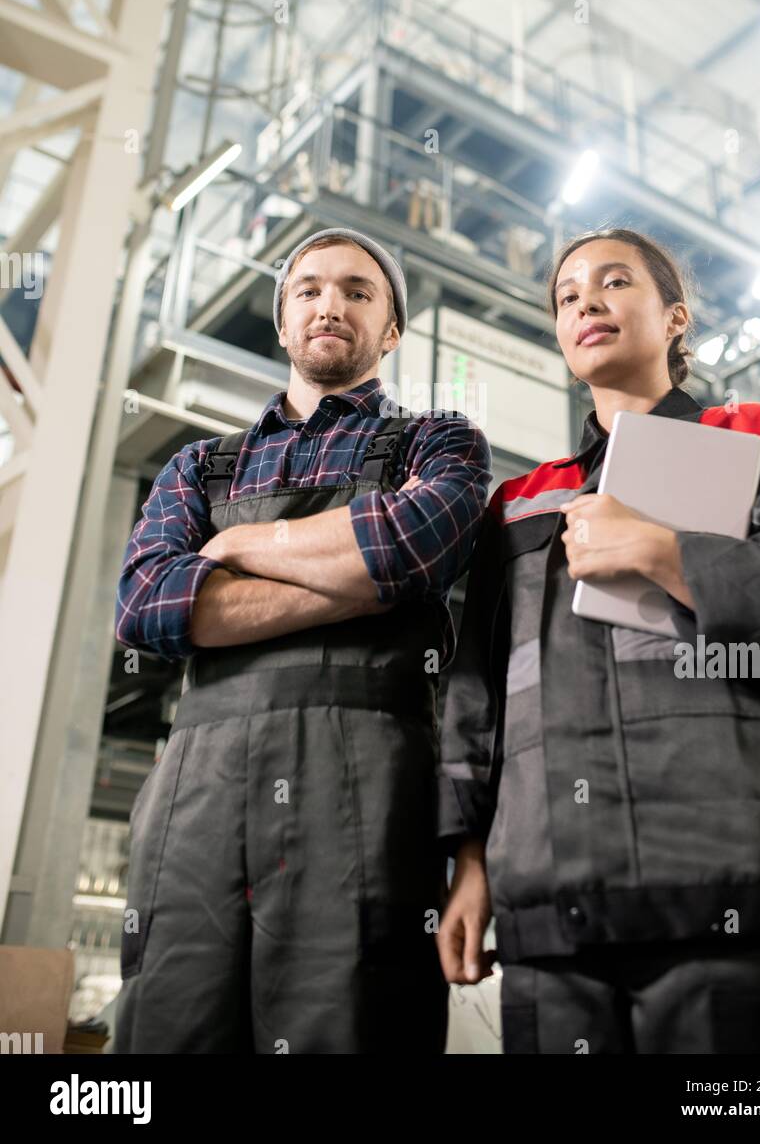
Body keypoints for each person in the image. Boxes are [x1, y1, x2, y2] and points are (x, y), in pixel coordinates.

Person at [436, 226, 760, 1055]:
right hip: (552, 906)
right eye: (566, 297)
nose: (585, 303)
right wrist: (470, 861)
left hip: (740, 888)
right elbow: (474, 694)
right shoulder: (524, 504)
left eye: (614, 283)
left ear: (675, 318)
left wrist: (670, 555)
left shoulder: (759, 439)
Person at [113, 226, 491, 1054]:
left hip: (367, 784)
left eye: (359, 292)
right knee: (170, 1025)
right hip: (197, 792)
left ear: (391, 331)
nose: (332, 304)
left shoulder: (437, 441)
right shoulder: (200, 468)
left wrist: (238, 549)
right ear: (283, 320)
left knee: (349, 1017)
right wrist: (350, 581)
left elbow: (408, 547)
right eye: (311, 288)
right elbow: (148, 604)